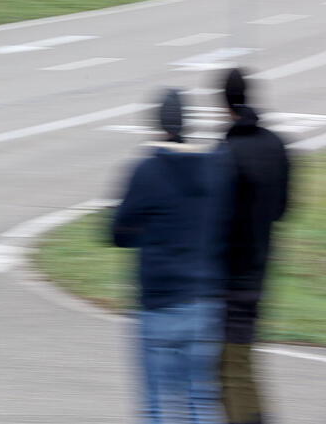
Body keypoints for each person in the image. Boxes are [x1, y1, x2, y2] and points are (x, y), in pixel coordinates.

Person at [111, 89, 229, 424]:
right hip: (203, 300)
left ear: (157, 125)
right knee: (200, 401)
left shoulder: (147, 171)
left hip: (159, 303)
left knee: (156, 407)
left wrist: (147, 231)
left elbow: (117, 234)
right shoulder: (213, 169)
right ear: (186, 124)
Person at [218, 68, 290, 424]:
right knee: (239, 362)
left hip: (230, 278)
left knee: (230, 370)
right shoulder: (276, 145)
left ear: (223, 103)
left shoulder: (226, 151)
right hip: (261, 270)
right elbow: (282, 209)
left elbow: (216, 219)